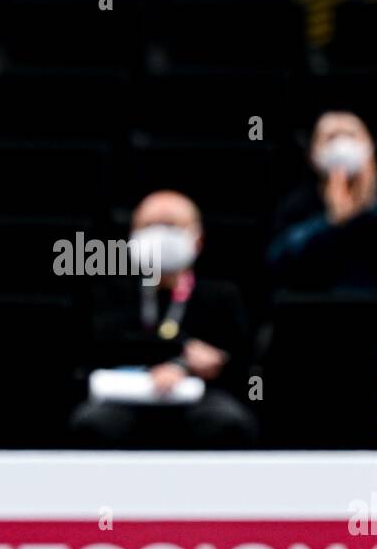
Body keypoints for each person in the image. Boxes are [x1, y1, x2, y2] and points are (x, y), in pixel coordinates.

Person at [70, 190, 258, 448]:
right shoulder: (110, 292)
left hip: (198, 392)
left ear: (198, 238)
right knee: (93, 422)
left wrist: (207, 363)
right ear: (133, 236)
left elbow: (243, 361)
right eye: (149, 226)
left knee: (227, 421)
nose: (160, 234)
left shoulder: (221, 296)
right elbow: (96, 350)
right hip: (126, 391)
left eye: (171, 226)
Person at [268, 110, 377, 296]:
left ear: (370, 146)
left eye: (351, 136)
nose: (342, 145)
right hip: (317, 305)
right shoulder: (298, 201)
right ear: (313, 153)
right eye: (331, 138)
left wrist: (365, 211)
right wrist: (332, 221)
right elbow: (279, 261)